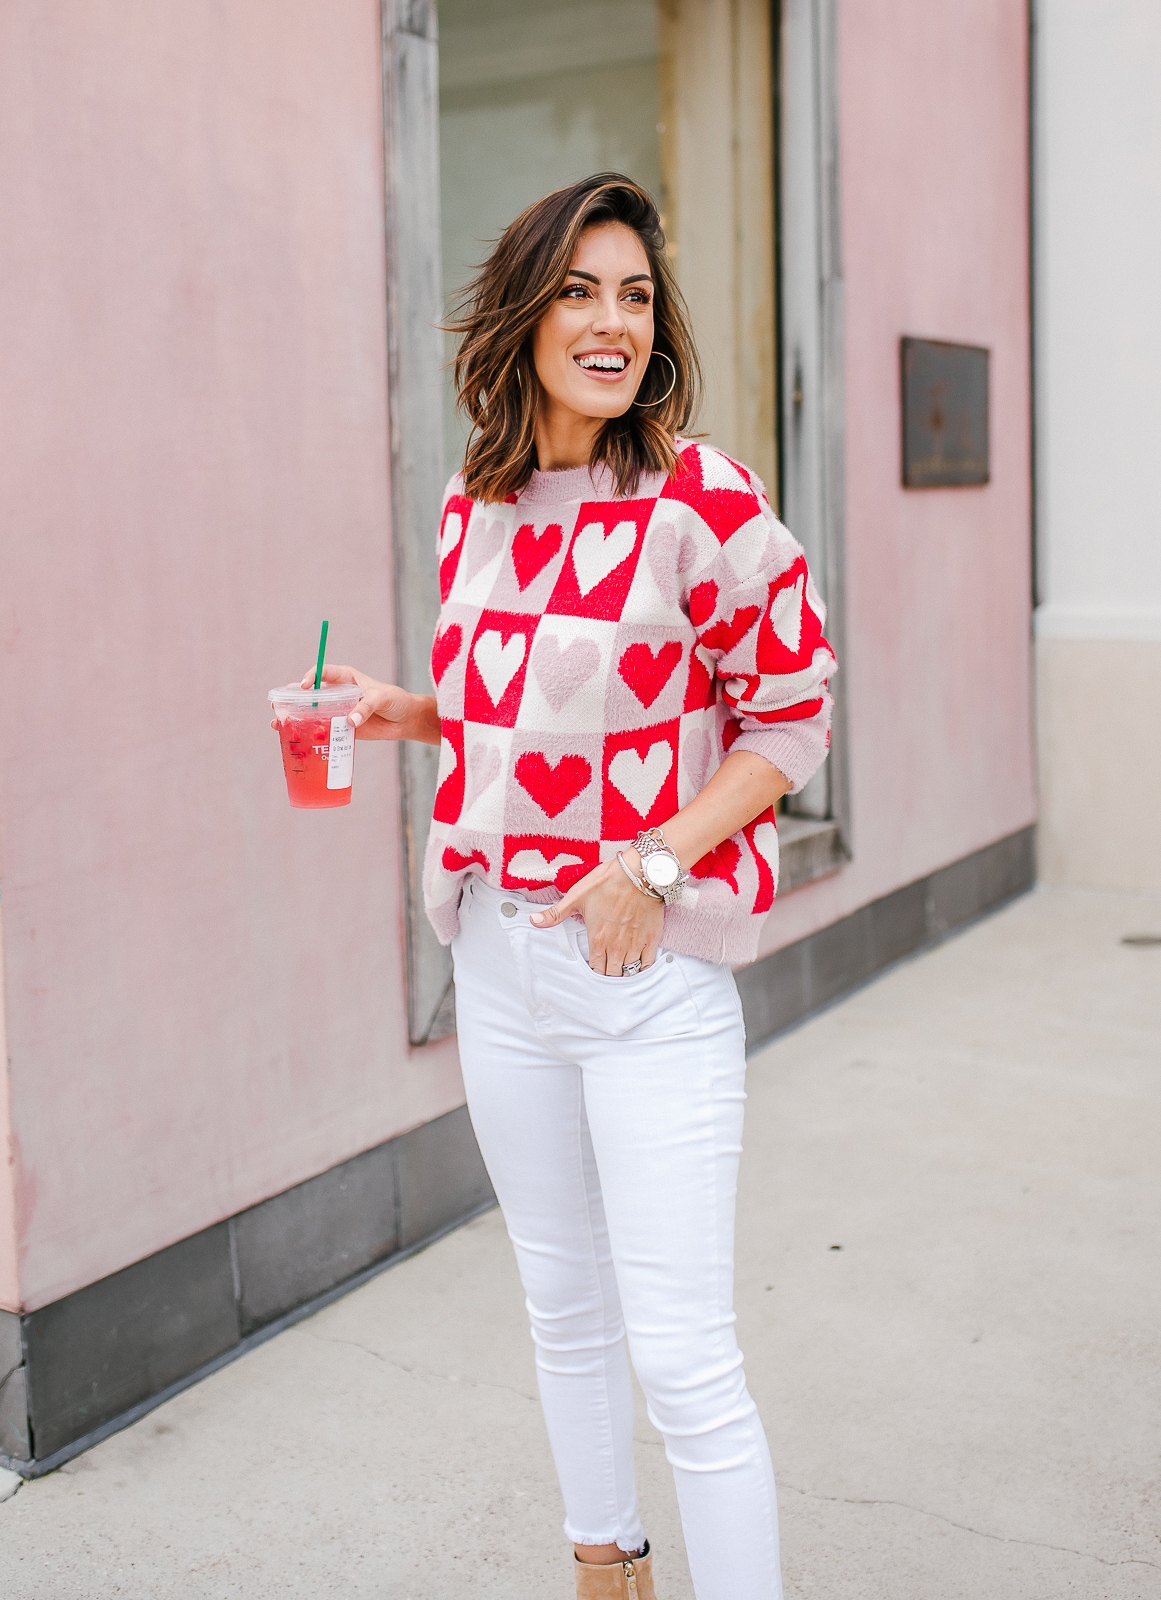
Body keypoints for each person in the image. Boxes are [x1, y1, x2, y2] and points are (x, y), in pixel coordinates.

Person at [301, 175, 834, 1599]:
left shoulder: (694, 498)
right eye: (580, 291)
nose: (610, 322)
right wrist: (402, 711)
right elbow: (518, 716)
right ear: (524, 314)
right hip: (499, 959)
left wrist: (654, 864)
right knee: (561, 1305)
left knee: (680, 1351)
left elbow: (791, 715)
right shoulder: (471, 511)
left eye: (635, 295)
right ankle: (607, 1569)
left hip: (644, 976)